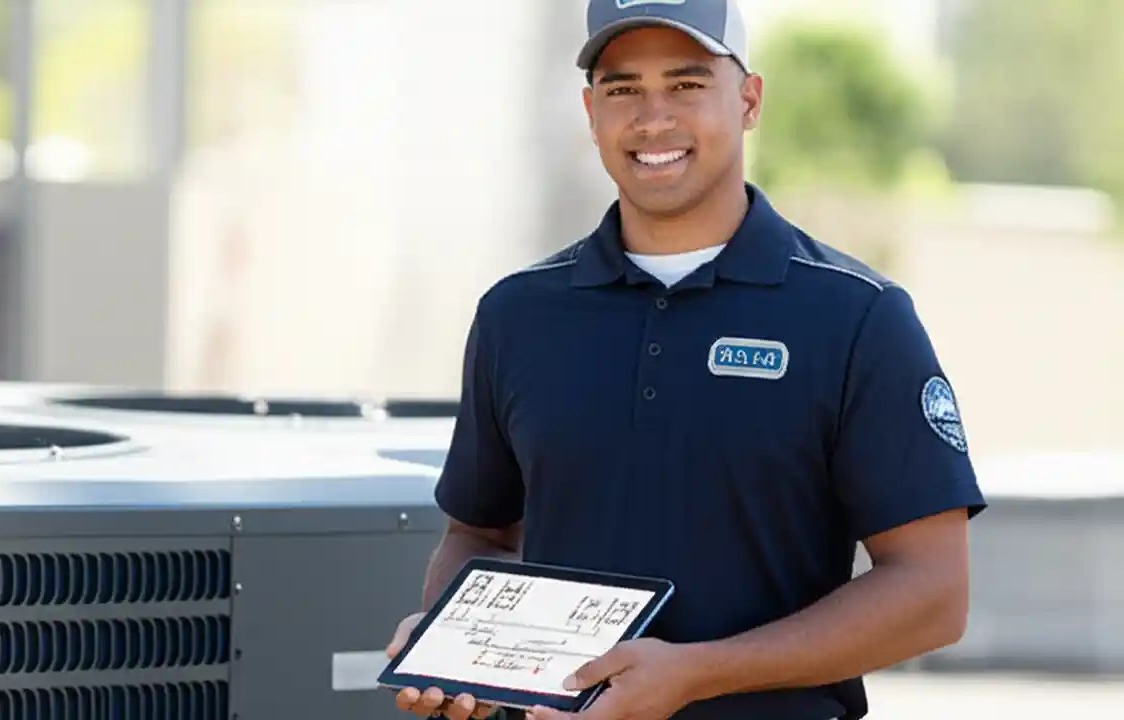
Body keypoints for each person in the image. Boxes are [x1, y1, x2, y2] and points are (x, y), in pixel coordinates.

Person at [385, 0, 987, 718]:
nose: (653, 118)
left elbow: (933, 593)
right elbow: (478, 536)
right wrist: (460, 646)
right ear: (591, 111)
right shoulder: (517, 315)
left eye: (686, 83)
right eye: (622, 88)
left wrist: (697, 675)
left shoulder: (857, 317)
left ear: (749, 100)